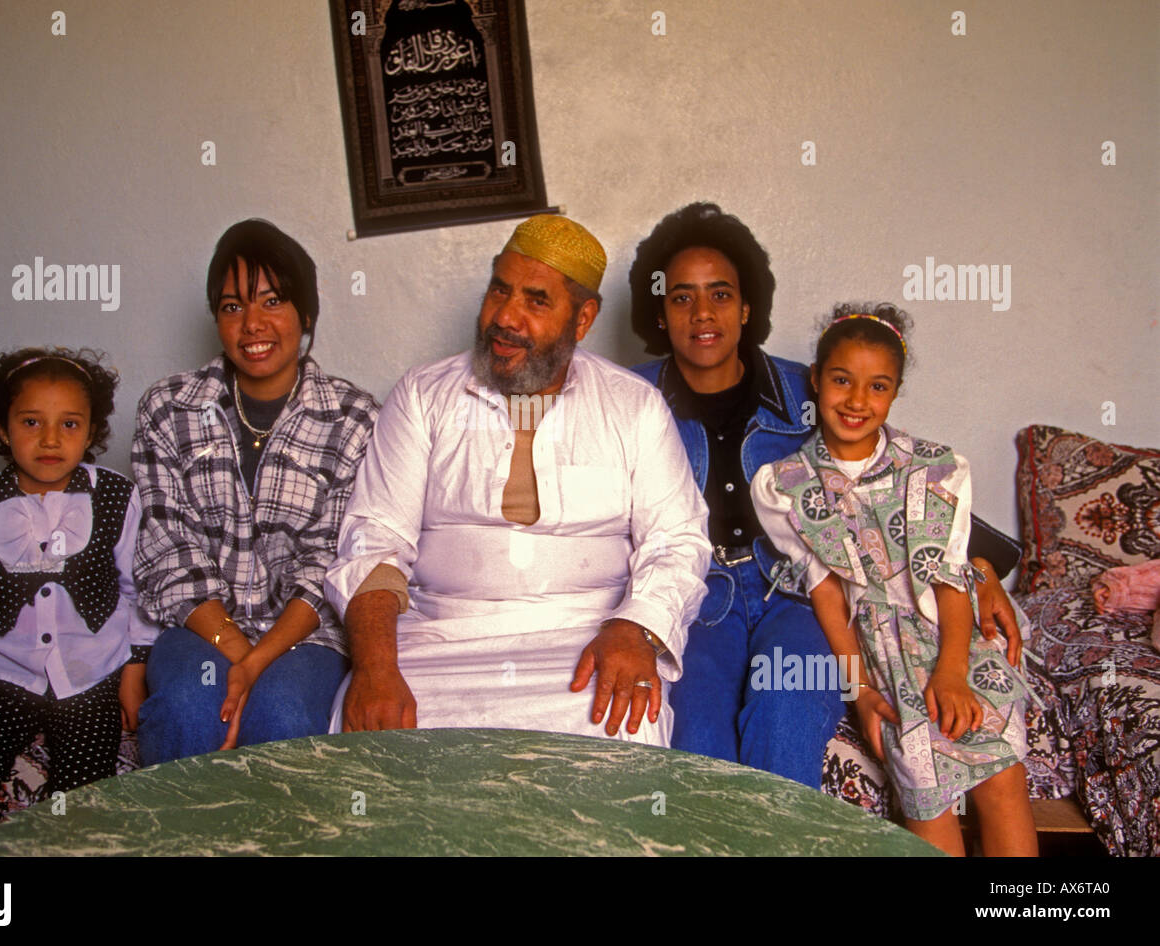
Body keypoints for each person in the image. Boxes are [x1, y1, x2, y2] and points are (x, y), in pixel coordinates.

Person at [628, 203, 1024, 787]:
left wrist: (980, 570)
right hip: (696, 598)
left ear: (746, 306)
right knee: (697, 745)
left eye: (720, 294)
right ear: (659, 312)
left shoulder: (816, 386)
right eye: (682, 296)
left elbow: (905, 482)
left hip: (804, 595)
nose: (703, 313)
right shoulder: (631, 402)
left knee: (783, 711)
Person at [324, 214, 710, 743]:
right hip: (435, 647)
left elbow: (677, 541)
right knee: (376, 748)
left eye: (536, 300)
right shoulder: (422, 395)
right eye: (498, 291)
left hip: (585, 647)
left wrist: (636, 626)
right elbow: (374, 541)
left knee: (624, 738)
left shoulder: (634, 407)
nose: (505, 317)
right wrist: (374, 668)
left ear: (582, 319)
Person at [751, 303, 1038, 856]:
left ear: (896, 391)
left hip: (955, 636)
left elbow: (949, 577)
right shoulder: (785, 486)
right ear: (816, 378)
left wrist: (953, 671)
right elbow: (828, 596)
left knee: (1002, 777)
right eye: (841, 381)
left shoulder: (935, 468)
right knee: (923, 790)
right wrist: (859, 690)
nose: (857, 401)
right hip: (882, 650)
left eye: (877, 386)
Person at [132, 219, 378, 762]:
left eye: (272, 301)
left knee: (282, 713)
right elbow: (169, 550)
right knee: (188, 710)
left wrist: (259, 663)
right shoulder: (168, 408)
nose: (252, 324)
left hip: (305, 638)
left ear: (306, 314)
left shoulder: (353, 418)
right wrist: (239, 655)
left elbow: (332, 561)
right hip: (200, 629)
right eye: (232, 306)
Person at [0, 347, 153, 850]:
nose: (51, 439)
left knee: (84, 802)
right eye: (31, 422)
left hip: (92, 675)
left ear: (90, 433)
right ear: (3, 429)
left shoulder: (117, 497)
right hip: (2, 674)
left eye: (70, 424)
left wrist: (135, 668)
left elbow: (137, 590)